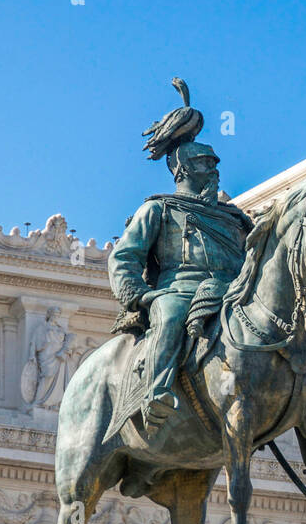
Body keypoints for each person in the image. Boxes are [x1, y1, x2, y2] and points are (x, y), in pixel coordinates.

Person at [108, 140, 252, 430]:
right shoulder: (158, 209)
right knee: (171, 315)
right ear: (182, 170)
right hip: (181, 290)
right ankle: (156, 394)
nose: (214, 169)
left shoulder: (235, 219)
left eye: (214, 163)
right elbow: (124, 257)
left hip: (232, 292)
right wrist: (142, 296)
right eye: (204, 162)